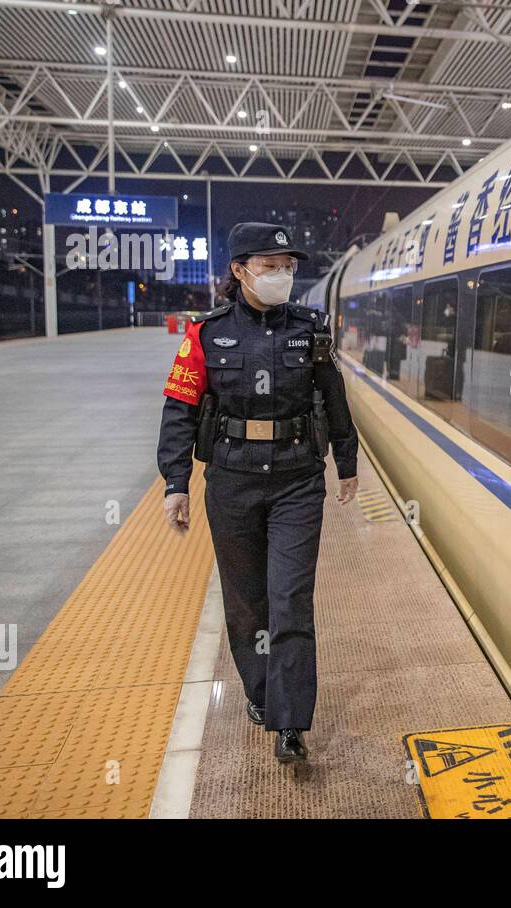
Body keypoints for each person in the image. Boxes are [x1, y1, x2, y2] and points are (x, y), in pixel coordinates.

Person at [157, 222, 359, 764]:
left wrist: (347, 462)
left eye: (288, 267)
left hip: (297, 479)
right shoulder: (205, 335)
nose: (282, 277)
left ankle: (289, 723)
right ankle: (261, 694)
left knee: (290, 598)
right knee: (247, 603)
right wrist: (176, 482)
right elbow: (179, 409)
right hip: (231, 481)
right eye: (270, 267)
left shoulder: (312, 331)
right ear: (239, 270)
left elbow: (334, 397)